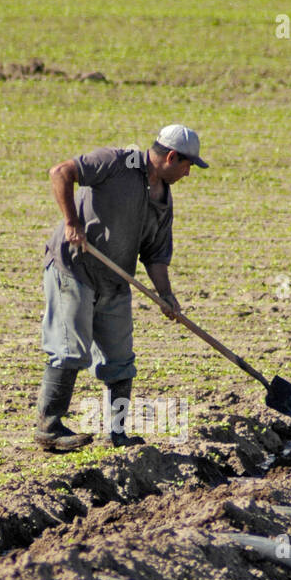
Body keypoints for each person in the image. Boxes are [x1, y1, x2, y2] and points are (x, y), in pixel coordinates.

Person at [35, 124, 208, 452]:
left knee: (120, 361)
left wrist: (165, 295)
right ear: (171, 157)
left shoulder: (164, 201)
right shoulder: (115, 162)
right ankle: (49, 428)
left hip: (115, 281)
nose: (189, 173)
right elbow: (60, 172)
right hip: (75, 268)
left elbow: (155, 254)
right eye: (188, 165)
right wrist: (72, 223)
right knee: (70, 349)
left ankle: (117, 434)